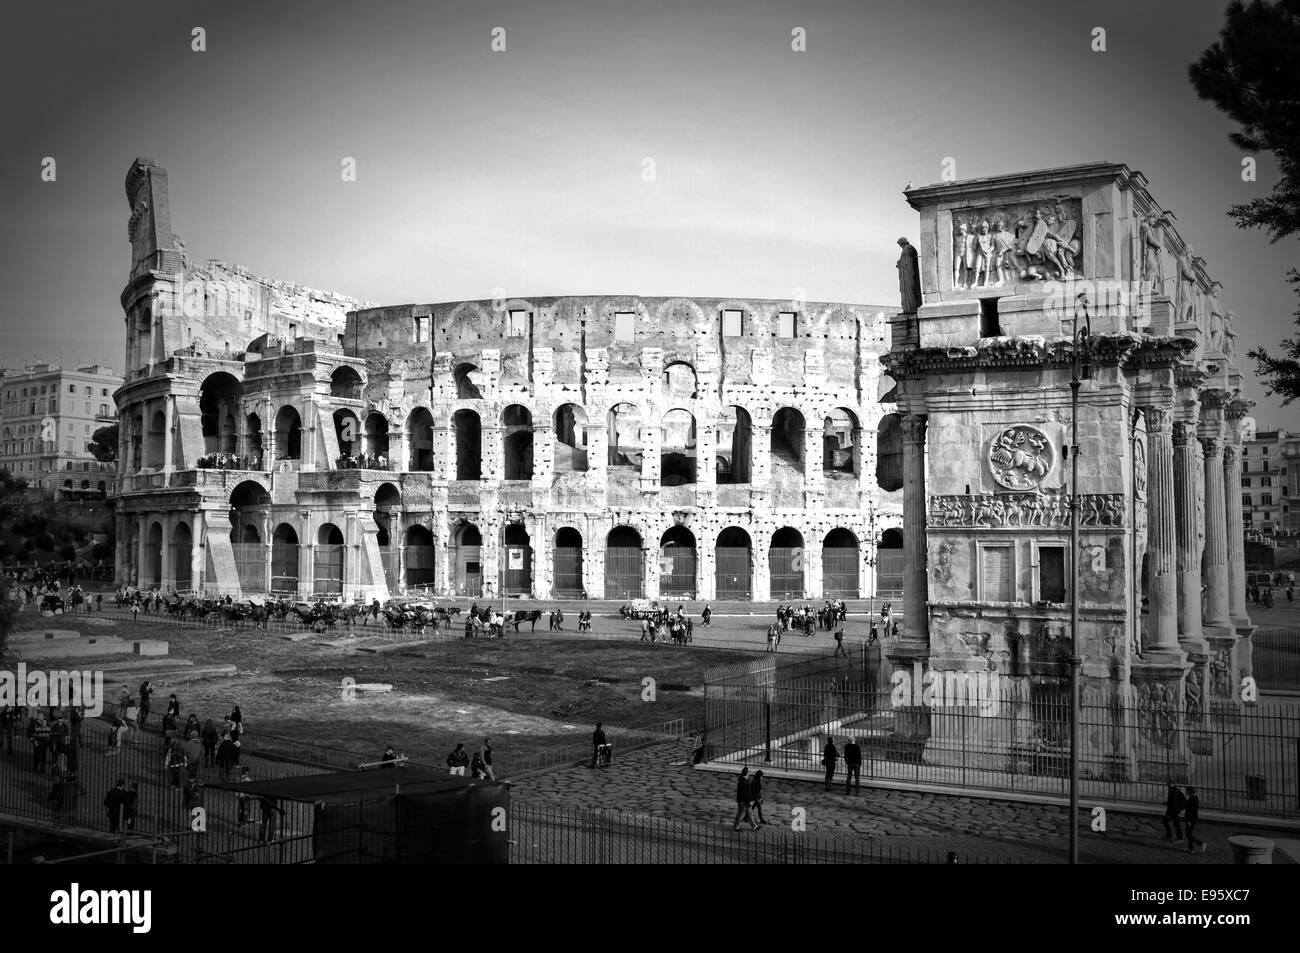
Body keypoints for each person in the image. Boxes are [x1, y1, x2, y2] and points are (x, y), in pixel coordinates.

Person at [1185, 786, 1206, 853]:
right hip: (1193, 818)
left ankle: (1201, 843)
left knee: (1188, 834)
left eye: (1186, 791)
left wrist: (1188, 820)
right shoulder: (1195, 798)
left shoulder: (1191, 799)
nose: (1186, 792)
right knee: (1189, 833)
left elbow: (1191, 811)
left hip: (1191, 819)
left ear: (1189, 791)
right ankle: (1190, 848)